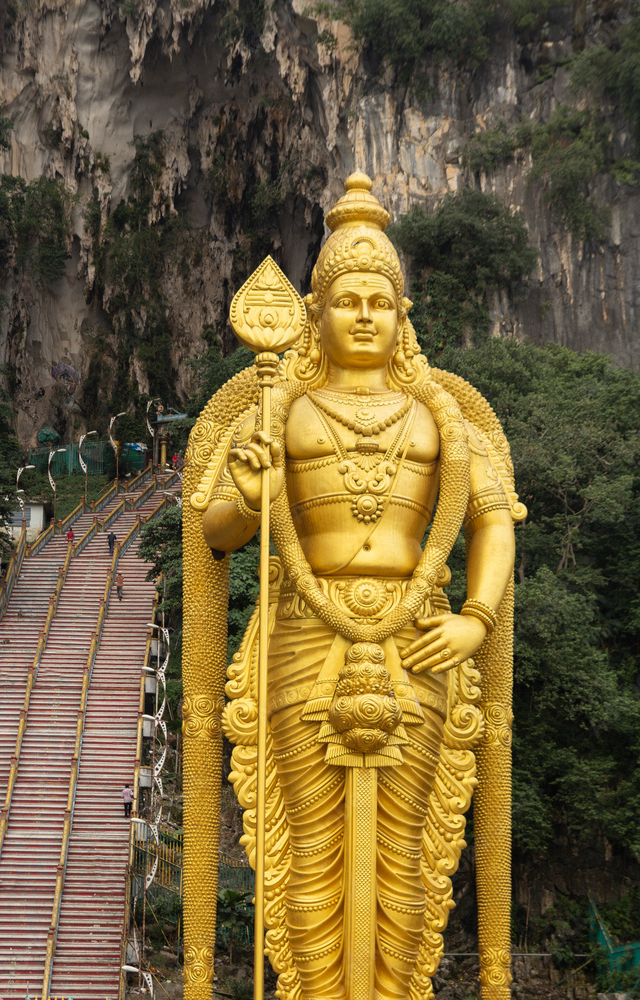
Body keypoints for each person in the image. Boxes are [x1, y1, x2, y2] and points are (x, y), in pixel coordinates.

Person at [180, 174, 524, 1000]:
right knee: (302, 851)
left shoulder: (443, 415)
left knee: (410, 856)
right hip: (302, 631)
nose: (364, 315)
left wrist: (476, 618)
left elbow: (494, 520)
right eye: (347, 301)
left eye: (380, 301)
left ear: (402, 315)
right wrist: (256, 492)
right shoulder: (274, 410)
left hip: (420, 637)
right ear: (315, 314)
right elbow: (215, 530)